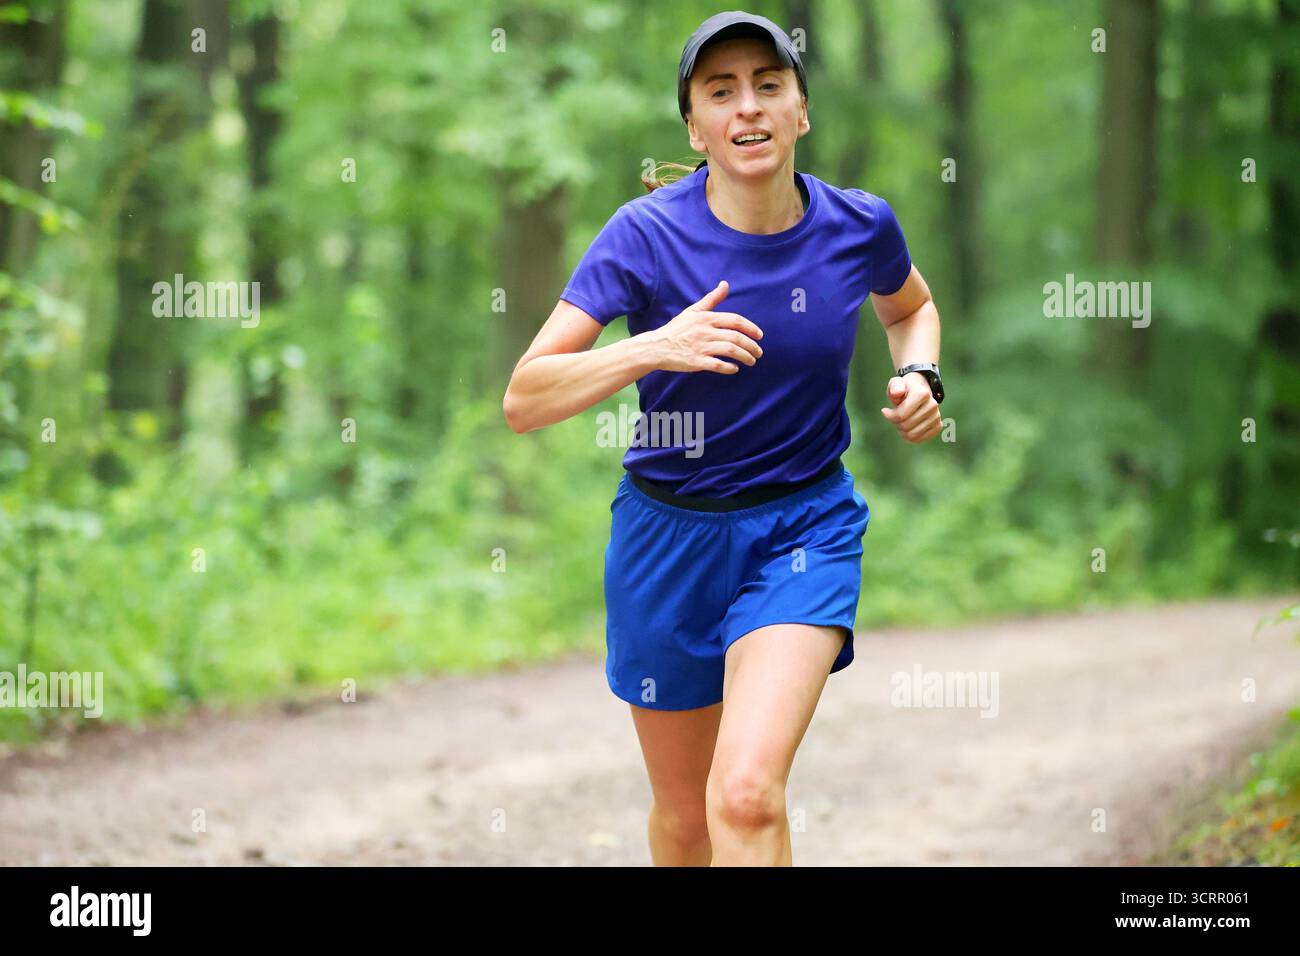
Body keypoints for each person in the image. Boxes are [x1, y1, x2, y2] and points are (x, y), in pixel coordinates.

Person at [502, 10, 944, 866]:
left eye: (768, 86)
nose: (748, 108)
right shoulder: (644, 235)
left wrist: (921, 375)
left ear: (802, 112)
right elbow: (525, 397)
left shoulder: (858, 226)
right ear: (695, 127)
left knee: (743, 796)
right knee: (687, 821)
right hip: (666, 540)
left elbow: (912, 307)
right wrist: (653, 346)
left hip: (803, 532)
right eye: (721, 92)